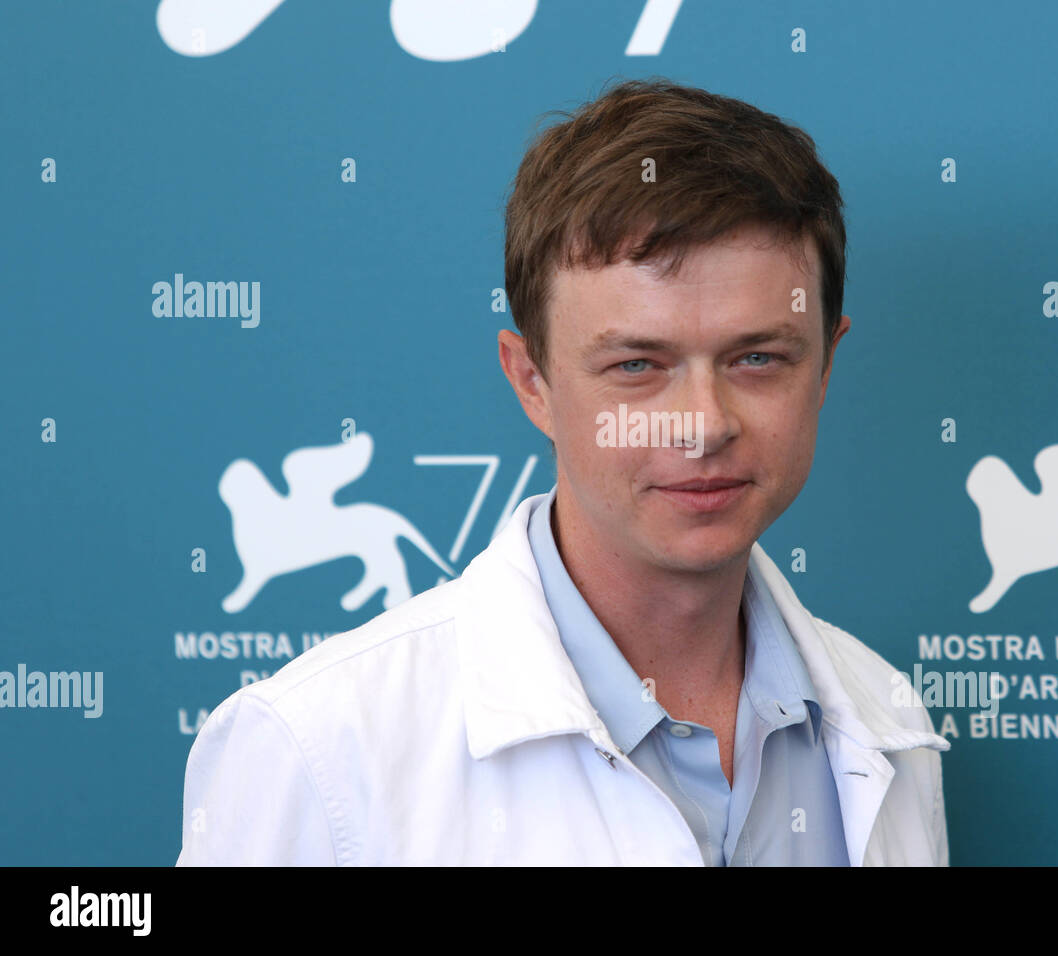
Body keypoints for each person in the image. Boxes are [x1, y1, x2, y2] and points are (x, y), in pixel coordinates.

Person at [175, 77, 950, 866]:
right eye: (637, 365)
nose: (706, 424)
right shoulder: (317, 750)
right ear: (532, 381)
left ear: (824, 369)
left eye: (758, 358)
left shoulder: (887, 720)